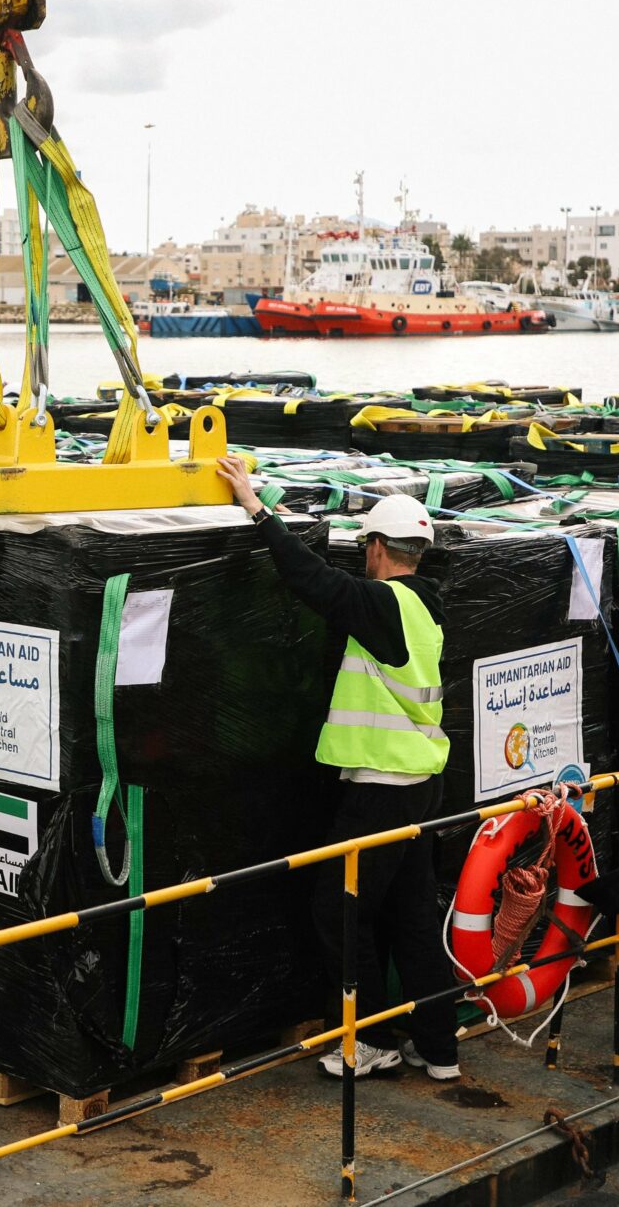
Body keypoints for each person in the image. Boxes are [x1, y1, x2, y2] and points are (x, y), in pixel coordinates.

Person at [216, 457, 461, 1081]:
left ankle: (371, 1040)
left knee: (339, 910)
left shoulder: (386, 604)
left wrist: (255, 507)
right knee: (409, 915)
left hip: (382, 789)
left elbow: (311, 579)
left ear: (378, 548)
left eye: (366, 549)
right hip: (420, 784)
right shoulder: (427, 607)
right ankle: (439, 1049)